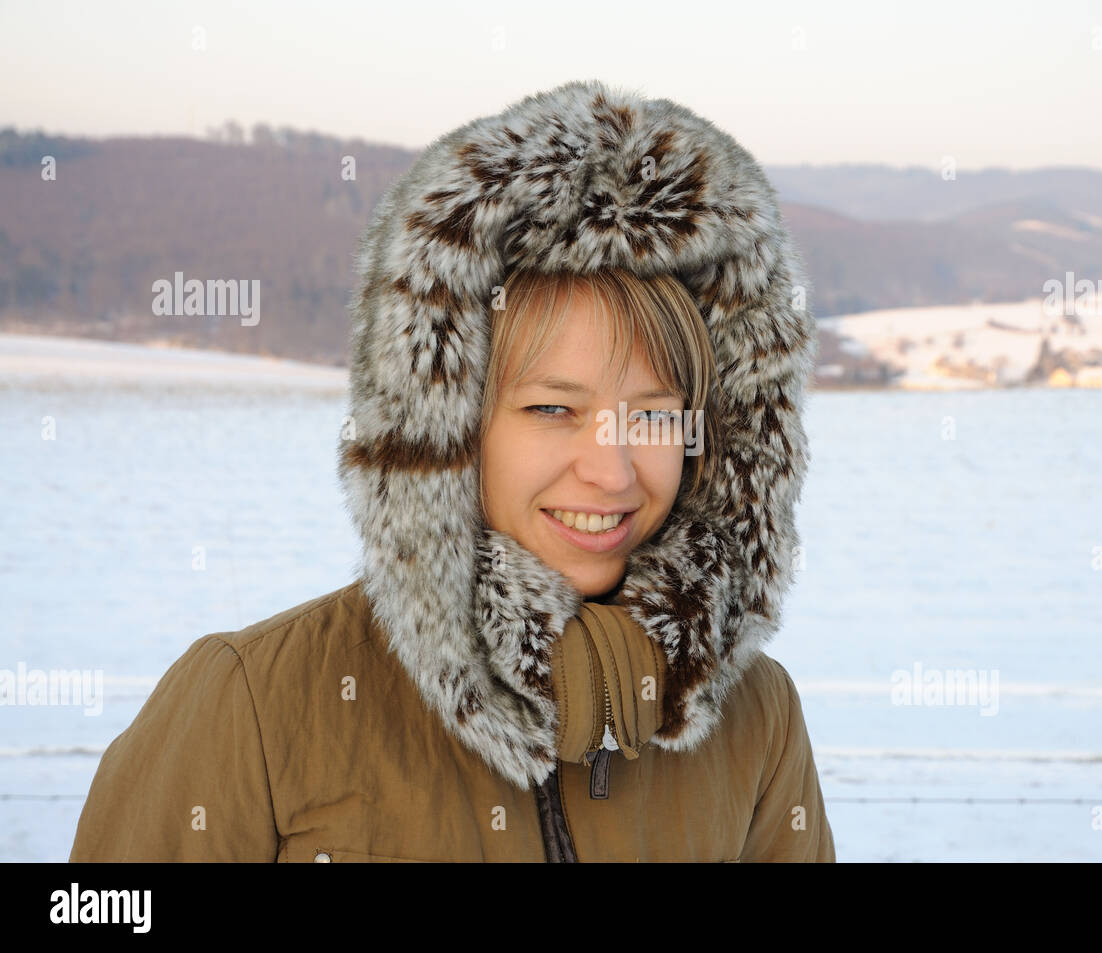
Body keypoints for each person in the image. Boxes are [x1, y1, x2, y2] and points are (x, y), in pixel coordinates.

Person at [68, 79, 834, 862]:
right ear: (449, 427)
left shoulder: (755, 722)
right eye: (552, 409)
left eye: (652, 415)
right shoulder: (255, 707)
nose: (613, 471)